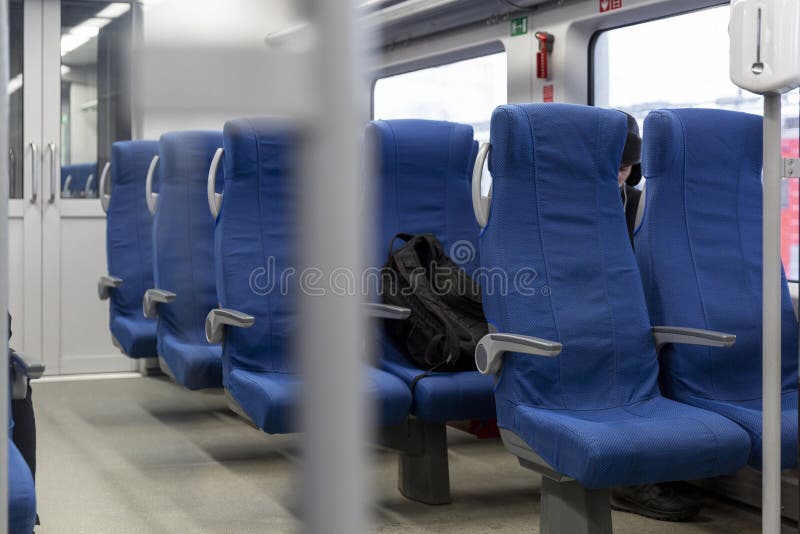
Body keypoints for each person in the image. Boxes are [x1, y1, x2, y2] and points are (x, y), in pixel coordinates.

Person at [609, 112, 701, 522]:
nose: (617, 176)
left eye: (625, 168)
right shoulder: (566, 207)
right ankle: (630, 479)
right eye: (611, 166)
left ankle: (658, 465)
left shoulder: (640, 205)